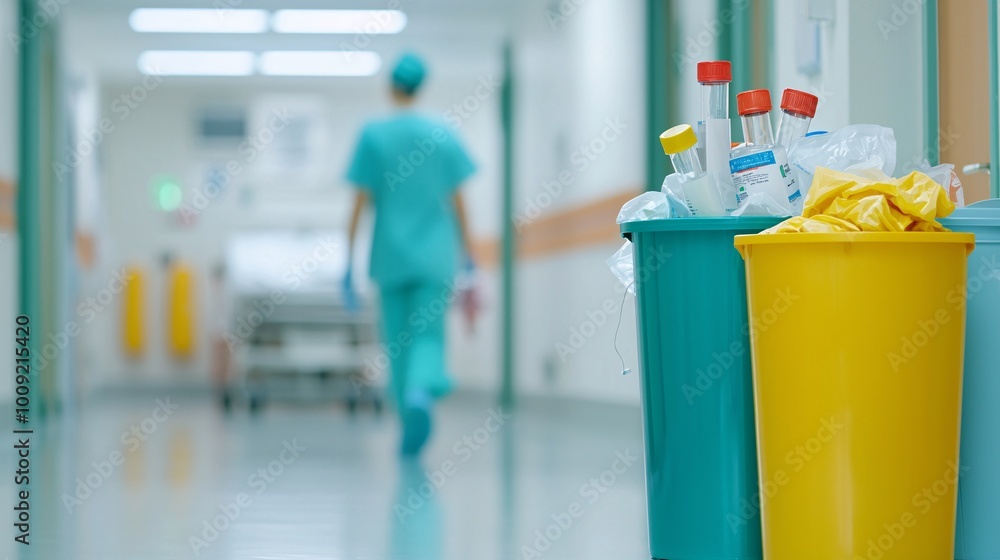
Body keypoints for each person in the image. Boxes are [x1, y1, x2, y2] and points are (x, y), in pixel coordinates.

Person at [344, 52, 477, 456]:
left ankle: (407, 418)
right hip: (436, 256)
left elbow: (358, 205)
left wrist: (346, 261)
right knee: (428, 335)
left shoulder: (373, 135)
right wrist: (469, 254)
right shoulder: (443, 134)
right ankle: (423, 390)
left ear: (391, 86)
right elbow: (459, 203)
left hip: (389, 257)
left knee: (396, 341)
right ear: (421, 87)